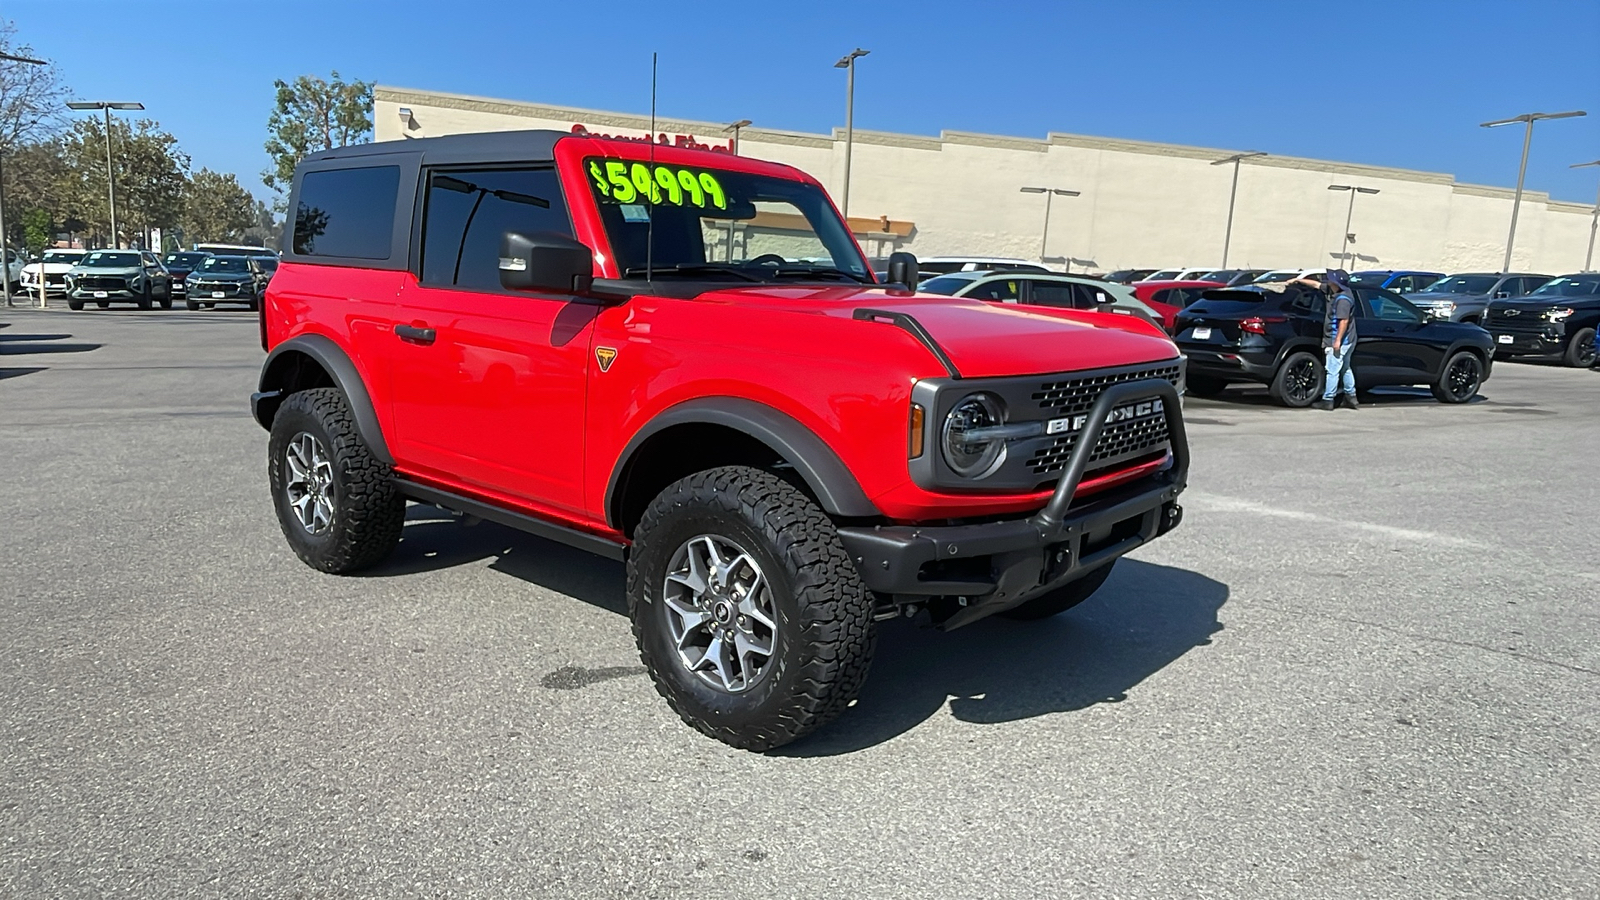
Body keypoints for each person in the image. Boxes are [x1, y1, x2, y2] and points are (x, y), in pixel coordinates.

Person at [1301, 269, 1357, 410]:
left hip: (1340, 340)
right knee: (1345, 367)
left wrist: (1337, 341)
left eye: (1331, 279)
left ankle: (1328, 400)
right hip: (1349, 339)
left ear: (1336, 283)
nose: (1328, 280)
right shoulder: (1334, 290)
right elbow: (1316, 285)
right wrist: (1297, 280)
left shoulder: (1343, 300)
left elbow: (1344, 321)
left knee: (1332, 369)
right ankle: (1351, 397)